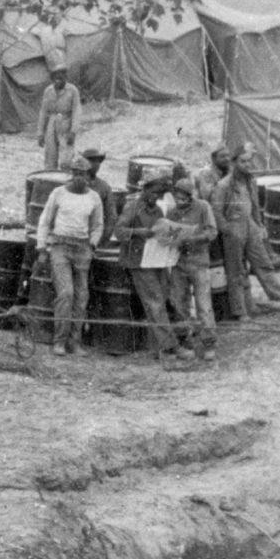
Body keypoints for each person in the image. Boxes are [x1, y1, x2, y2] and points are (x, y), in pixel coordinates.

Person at [36, 162, 106, 357]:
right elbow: (44, 221)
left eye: (82, 174)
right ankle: (59, 341)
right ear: (70, 174)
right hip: (60, 247)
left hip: (82, 249)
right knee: (66, 293)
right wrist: (42, 246)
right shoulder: (58, 193)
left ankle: (75, 342)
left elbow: (98, 225)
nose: (78, 178)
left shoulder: (94, 197)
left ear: (88, 176)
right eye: (75, 174)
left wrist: (92, 244)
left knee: (81, 297)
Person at [212, 147, 280, 319]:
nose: (247, 165)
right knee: (236, 270)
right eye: (242, 161)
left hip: (251, 226)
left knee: (264, 263)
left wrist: (259, 226)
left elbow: (254, 205)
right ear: (234, 163)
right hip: (234, 228)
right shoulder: (224, 185)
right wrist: (227, 230)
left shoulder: (250, 181)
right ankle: (241, 310)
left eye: (248, 161)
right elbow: (216, 211)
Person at [116, 178, 179, 358]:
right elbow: (119, 232)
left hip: (156, 259)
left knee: (161, 300)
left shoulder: (158, 209)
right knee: (155, 302)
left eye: (159, 195)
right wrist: (139, 233)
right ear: (145, 190)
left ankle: (156, 347)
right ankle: (169, 346)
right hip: (138, 261)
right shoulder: (132, 207)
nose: (156, 197)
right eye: (154, 193)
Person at [169, 177, 219, 360]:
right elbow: (170, 234)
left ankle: (209, 342)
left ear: (190, 197)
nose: (179, 202)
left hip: (199, 263)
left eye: (183, 198)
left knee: (203, 305)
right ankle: (184, 340)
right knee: (179, 304)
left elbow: (212, 232)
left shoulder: (203, 207)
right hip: (179, 263)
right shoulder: (173, 213)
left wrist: (194, 238)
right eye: (177, 197)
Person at [36, 66, 80, 174]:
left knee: (66, 159)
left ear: (65, 77)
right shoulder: (48, 91)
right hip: (52, 123)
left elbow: (76, 111)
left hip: (66, 123)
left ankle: (66, 180)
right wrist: (40, 133)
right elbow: (43, 111)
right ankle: (51, 179)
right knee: (50, 157)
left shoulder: (72, 90)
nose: (58, 81)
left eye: (61, 78)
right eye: (55, 78)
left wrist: (73, 131)